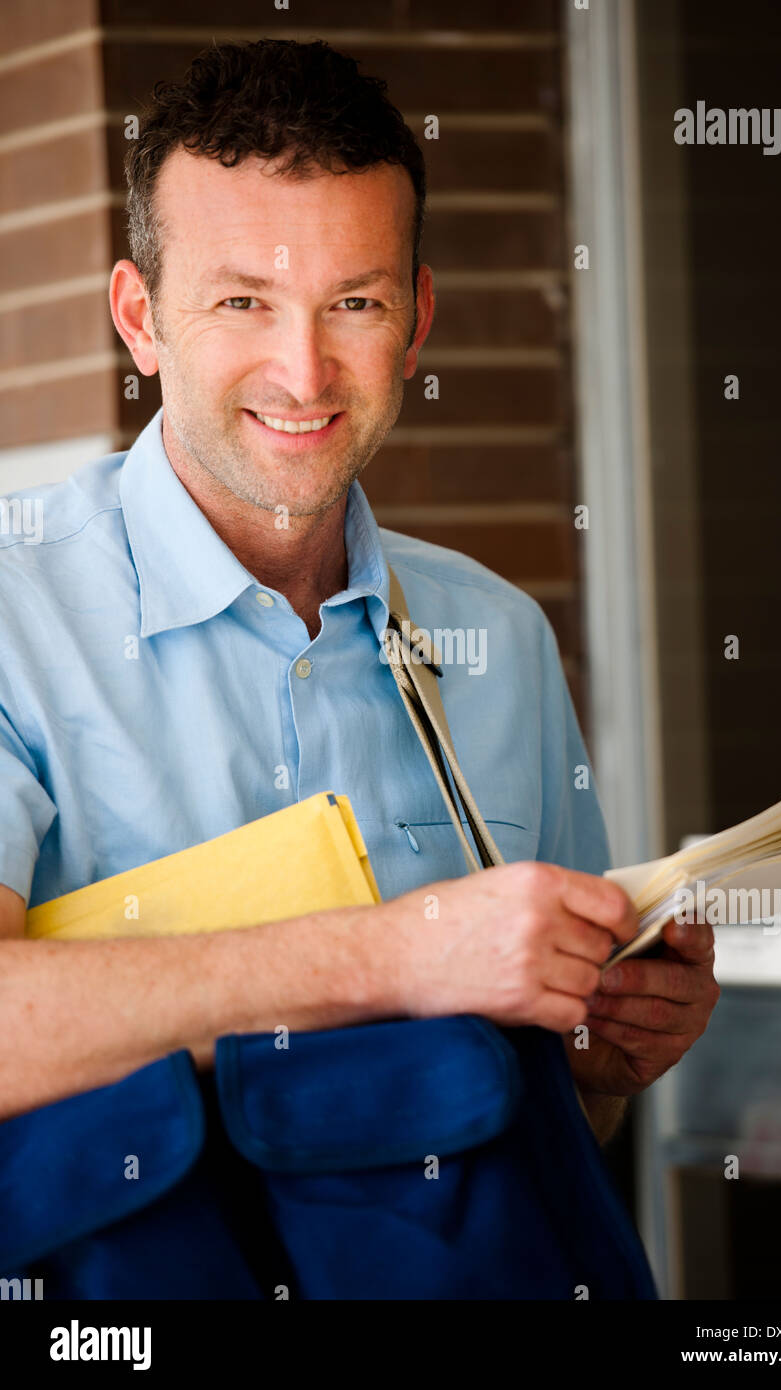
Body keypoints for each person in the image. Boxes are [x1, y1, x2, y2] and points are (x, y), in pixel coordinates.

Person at [0, 37, 719, 1297]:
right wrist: (393, 956)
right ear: (138, 318)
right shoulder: (14, 611)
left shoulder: (494, 638)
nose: (303, 370)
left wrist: (596, 1058)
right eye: (242, 302)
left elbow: (525, 1126)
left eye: (355, 302)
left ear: (417, 318)